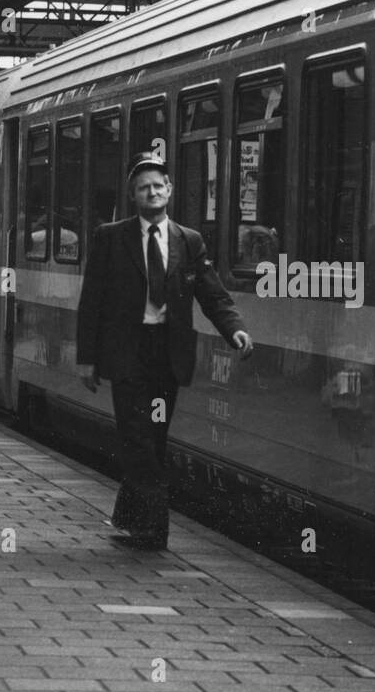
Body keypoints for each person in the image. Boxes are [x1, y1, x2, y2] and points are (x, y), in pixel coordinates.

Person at [76, 152, 253, 550]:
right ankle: (154, 531)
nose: (152, 192)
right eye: (143, 187)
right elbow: (92, 302)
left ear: (169, 190)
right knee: (136, 437)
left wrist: (235, 330)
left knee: (153, 437)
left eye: (158, 186)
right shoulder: (110, 237)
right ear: (133, 195)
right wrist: (87, 358)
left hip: (167, 354)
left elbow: (211, 293)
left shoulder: (188, 241)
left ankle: (130, 518)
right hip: (127, 352)